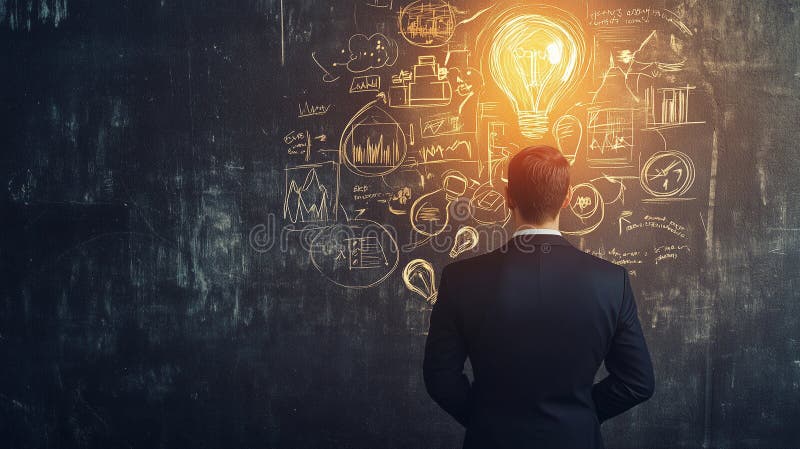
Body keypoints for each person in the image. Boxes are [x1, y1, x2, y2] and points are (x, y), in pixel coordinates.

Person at [423, 145, 655, 449]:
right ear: (568, 197)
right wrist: (580, 416)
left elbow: (440, 377)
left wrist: (486, 419)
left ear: (508, 195)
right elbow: (637, 382)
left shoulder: (461, 279)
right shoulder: (612, 282)